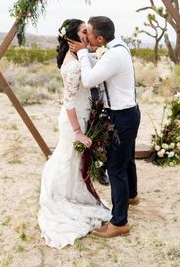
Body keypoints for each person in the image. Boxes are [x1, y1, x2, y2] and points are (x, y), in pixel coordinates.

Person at [38, 19, 110, 249]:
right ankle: (64, 198)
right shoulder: (73, 65)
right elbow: (69, 100)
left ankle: (73, 192)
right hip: (74, 119)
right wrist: (78, 131)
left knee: (73, 159)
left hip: (80, 114)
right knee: (69, 157)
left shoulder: (77, 58)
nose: (87, 33)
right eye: (83, 31)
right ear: (72, 38)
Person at [68, 16, 141, 238]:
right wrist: (86, 52)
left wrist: (81, 52)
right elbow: (99, 62)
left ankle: (119, 222)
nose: (85, 36)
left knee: (115, 168)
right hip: (128, 113)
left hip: (122, 116)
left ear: (99, 38)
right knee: (126, 158)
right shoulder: (116, 48)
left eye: (88, 33)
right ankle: (132, 196)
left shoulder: (114, 55)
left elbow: (89, 80)